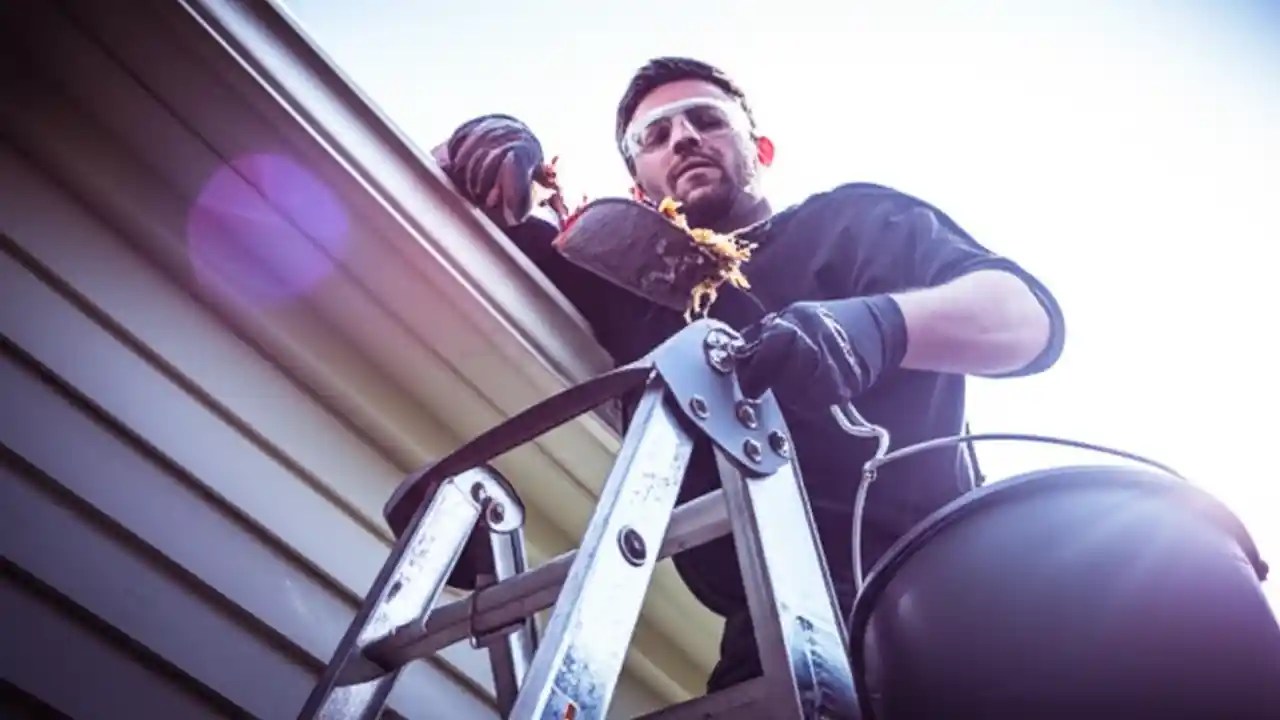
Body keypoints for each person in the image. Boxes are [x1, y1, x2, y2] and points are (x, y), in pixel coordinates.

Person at [431, 57, 1066, 692]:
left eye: (706, 120)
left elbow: (1025, 319)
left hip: (939, 602)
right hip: (768, 633)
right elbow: (465, 204)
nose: (682, 139)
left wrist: (873, 327)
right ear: (638, 189)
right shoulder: (629, 293)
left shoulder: (852, 222)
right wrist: (488, 142)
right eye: (654, 137)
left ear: (758, 148)